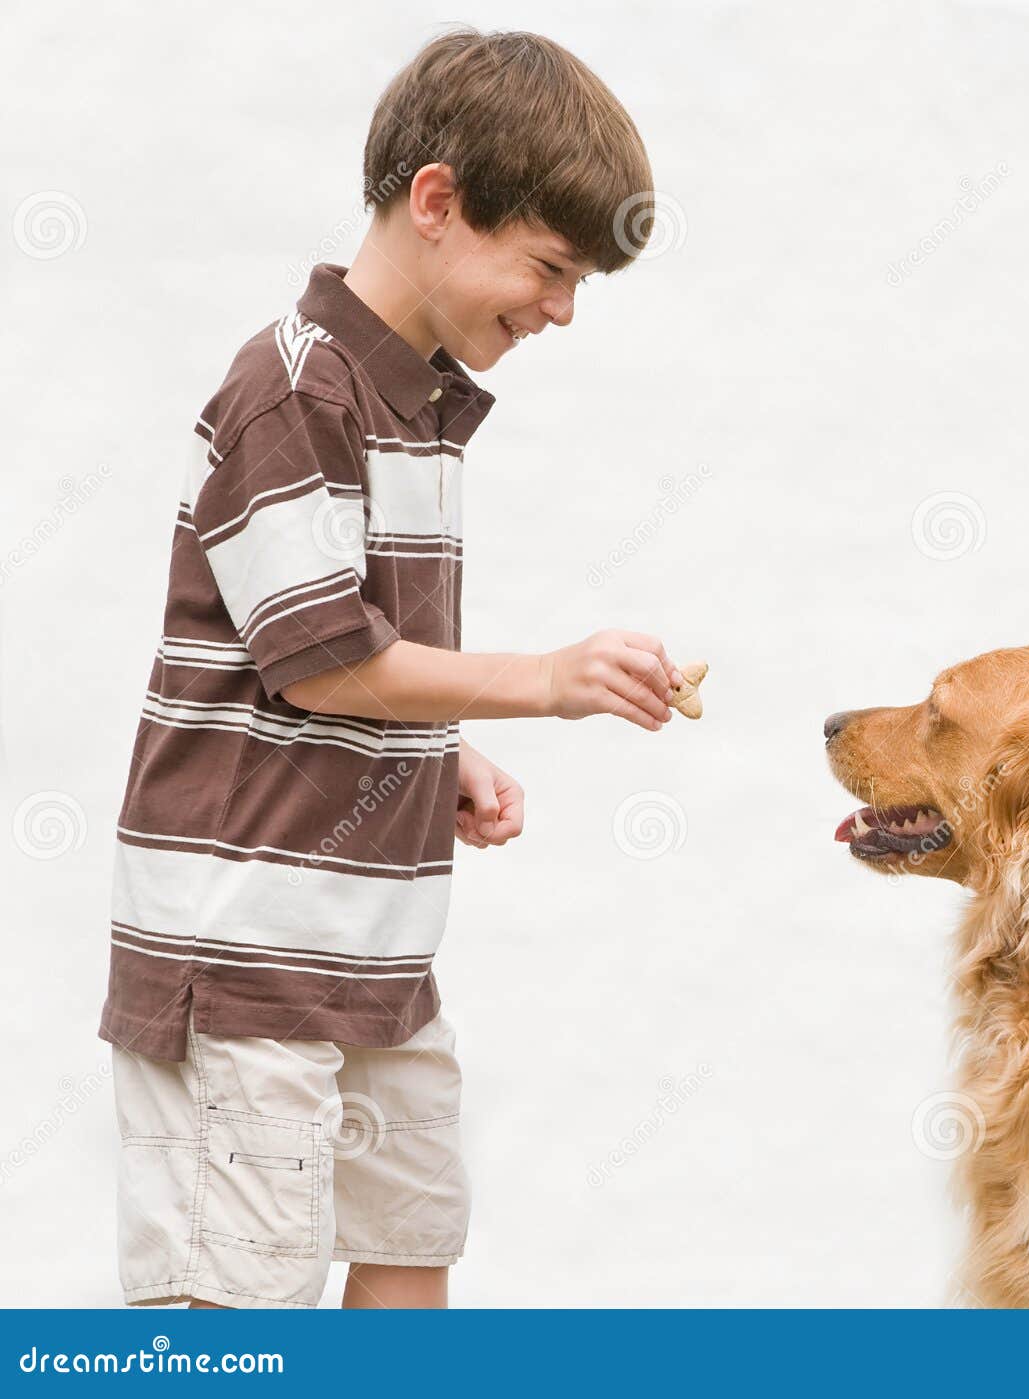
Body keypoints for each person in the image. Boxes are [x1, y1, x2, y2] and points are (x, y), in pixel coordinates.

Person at [98, 28, 677, 1309]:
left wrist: (437, 748)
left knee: (413, 1242)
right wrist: (545, 678)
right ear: (436, 203)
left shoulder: (413, 406)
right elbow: (318, 663)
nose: (561, 309)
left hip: (370, 959)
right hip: (244, 954)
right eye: (549, 267)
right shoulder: (291, 389)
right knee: (234, 1316)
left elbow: (329, 648)